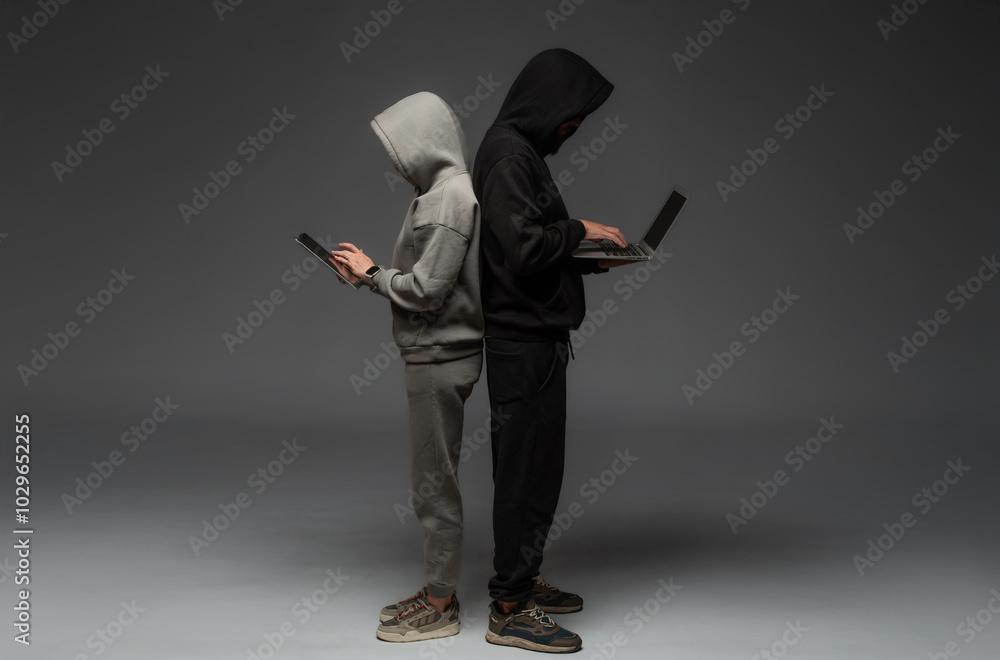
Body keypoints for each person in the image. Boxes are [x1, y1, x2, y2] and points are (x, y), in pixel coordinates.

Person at [471, 48, 631, 653]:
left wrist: (581, 262)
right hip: (523, 346)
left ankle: (524, 580)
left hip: (534, 339)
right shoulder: (511, 154)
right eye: (574, 117)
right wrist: (581, 233)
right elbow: (521, 251)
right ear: (551, 104)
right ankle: (508, 607)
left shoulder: (515, 148)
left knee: (540, 471)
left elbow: (526, 252)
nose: (574, 128)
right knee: (521, 474)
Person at [332, 91, 484, 643]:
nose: (396, 161)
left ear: (425, 143)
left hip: (441, 358)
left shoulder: (450, 199)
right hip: (436, 355)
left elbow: (425, 291)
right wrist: (369, 275)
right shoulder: (439, 194)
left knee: (433, 484)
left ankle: (441, 605)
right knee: (432, 479)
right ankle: (438, 592)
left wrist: (373, 273)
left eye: (400, 148)